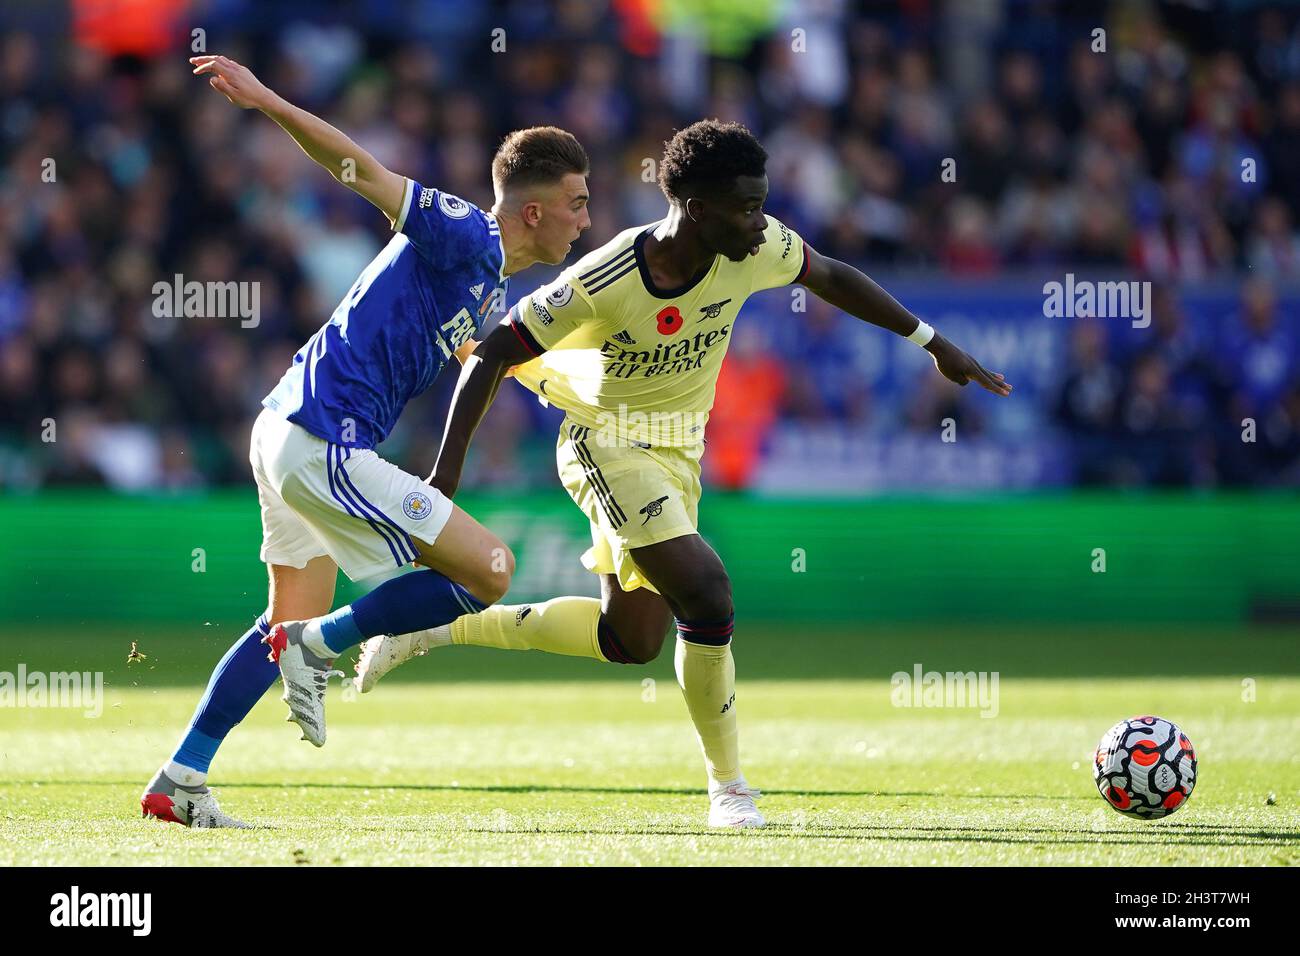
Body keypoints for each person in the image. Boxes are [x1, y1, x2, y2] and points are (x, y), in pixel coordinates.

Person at [355, 120, 1012, 828]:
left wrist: (933, 343)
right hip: (604, 443)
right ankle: (729, 789)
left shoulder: (755, 247)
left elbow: (832, 275)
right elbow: (490, 353)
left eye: (763, 204)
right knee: (708, 593)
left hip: (677, 452)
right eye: (748, 207)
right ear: (698, 210)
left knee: (629, 640)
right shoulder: (606, 275)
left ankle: (427, 628)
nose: (763, 223)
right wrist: (444, 479)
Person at [139, 54, 591, 827]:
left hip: (283, 429)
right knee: (491, 570)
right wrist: (266, 99)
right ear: (535, 212)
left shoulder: (491, 281)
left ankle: (180, 779)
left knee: (283, 625)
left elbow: (466, 358)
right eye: (578, 204)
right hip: (321, 439)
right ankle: (324, 647)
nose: (587, 219)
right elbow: (361, 170)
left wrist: (561, 392)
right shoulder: (464, 233)